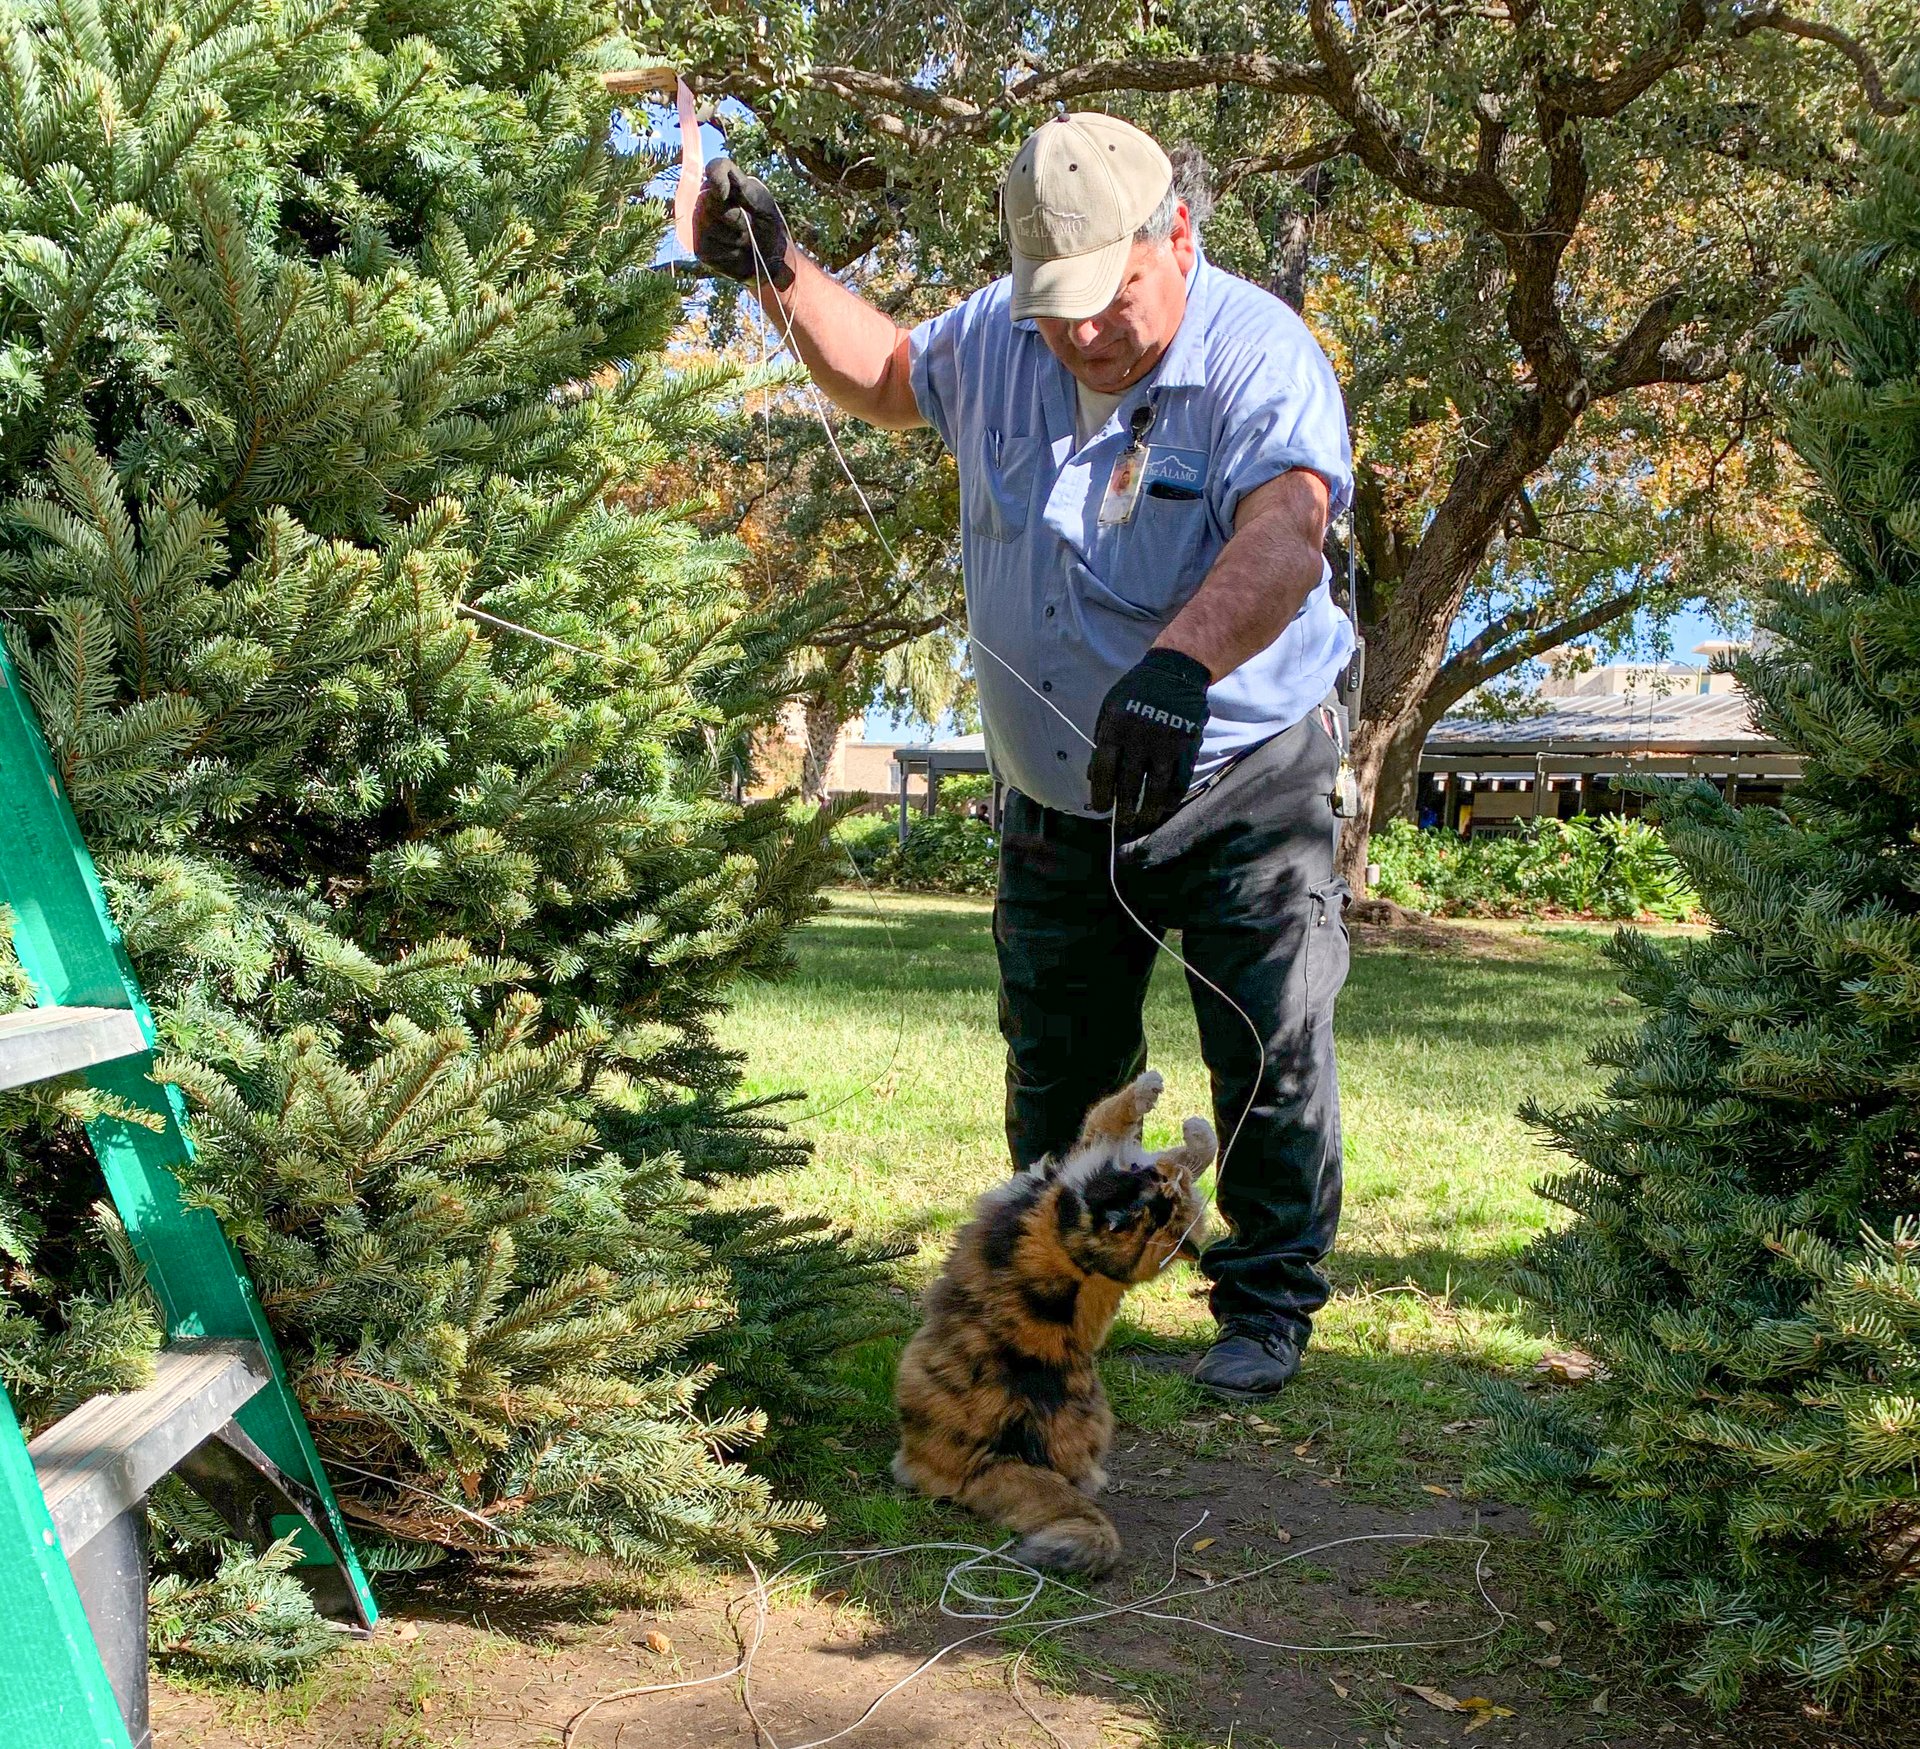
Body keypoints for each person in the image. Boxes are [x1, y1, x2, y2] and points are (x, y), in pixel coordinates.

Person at [692, 113, 1354, 1398]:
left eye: (1111, 298)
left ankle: (1266, 1306)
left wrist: (1179, 666)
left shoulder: (1258, 353)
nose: (1085, 334)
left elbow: (1289, 530)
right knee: (1057, 1069)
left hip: (1243, 775)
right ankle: (1058, 1296)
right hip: (1056, 792)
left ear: (1178, 235)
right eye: (1058, 309)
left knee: (1266, 1047)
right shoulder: (1002, 333)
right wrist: (782, 270)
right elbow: (887, 373)